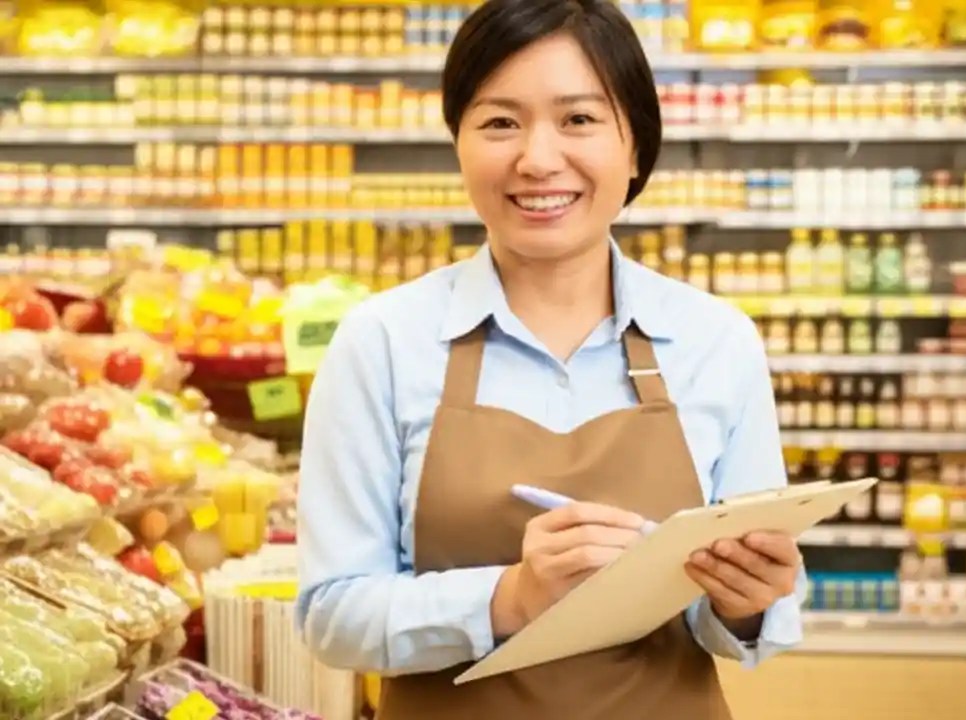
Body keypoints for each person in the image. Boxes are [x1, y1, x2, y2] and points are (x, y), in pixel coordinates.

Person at [295, 0, 806, 717]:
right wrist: (512, 595)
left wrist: (750, 602)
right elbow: (331, 615)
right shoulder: (381, 342)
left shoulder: (714, 340)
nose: (538, 159)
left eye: (579, 120)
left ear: (634, 146)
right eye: (500, 122)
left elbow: (748, 621)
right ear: (458, 142)